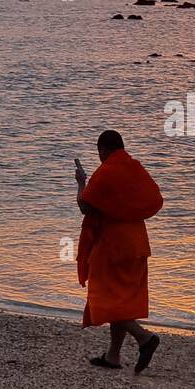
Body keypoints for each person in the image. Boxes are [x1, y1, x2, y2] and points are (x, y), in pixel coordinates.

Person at [75, 130, 163, 373]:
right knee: (123, 300)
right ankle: (113, 356)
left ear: (103, 150)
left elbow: (85, 206)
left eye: (99, 152)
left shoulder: (106, 173)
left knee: (104, 298)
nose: (99, 157)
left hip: (112, 247)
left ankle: (144, 338)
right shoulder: (134, 168)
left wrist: (81, 182)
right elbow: (156, 199)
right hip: (137, 245)